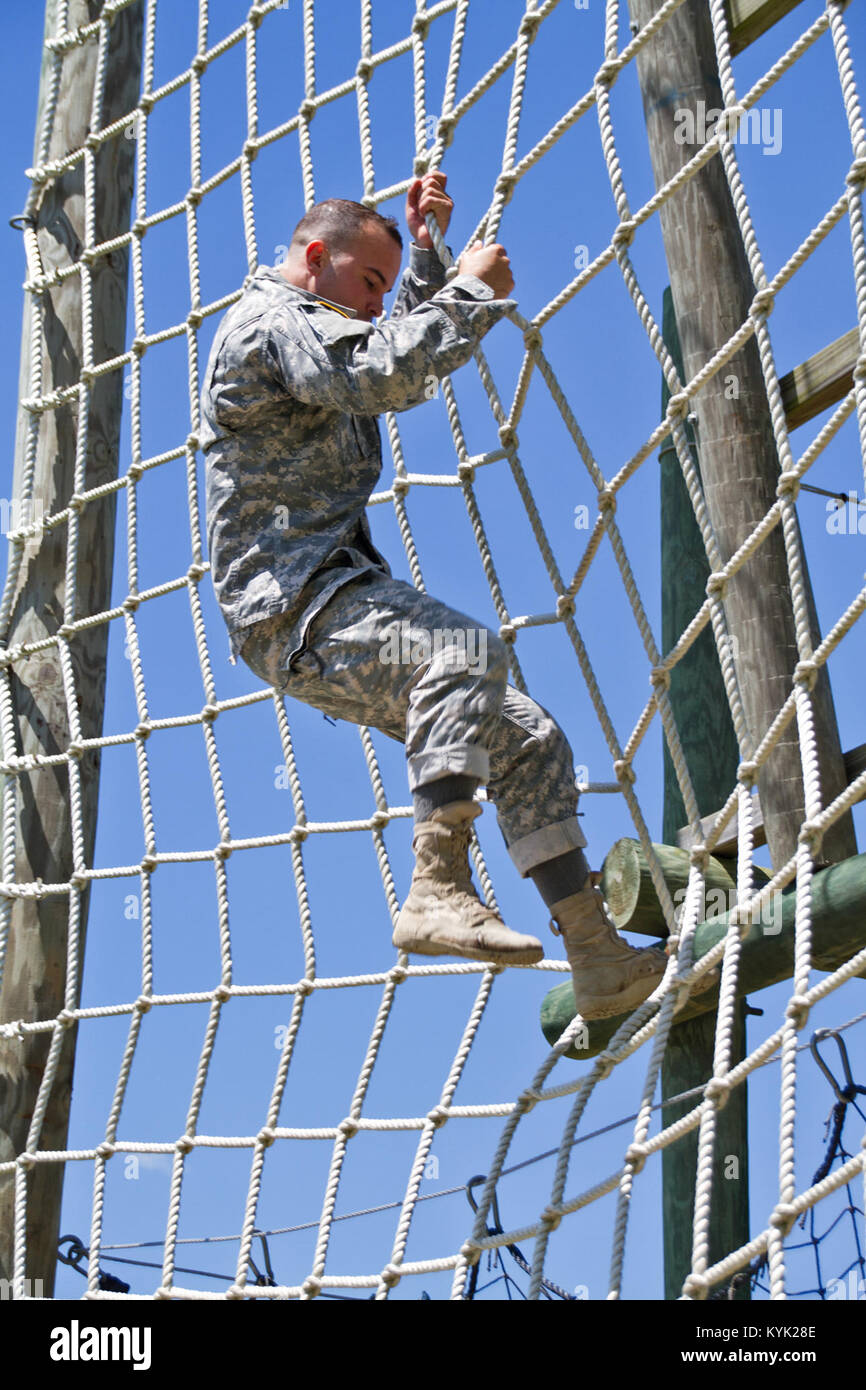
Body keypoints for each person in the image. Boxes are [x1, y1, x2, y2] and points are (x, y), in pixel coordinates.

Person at [200, 172, 695, 1022]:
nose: (377, 301)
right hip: (294, 603)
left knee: (528, 738)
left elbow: (386, 339)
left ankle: (597, 956)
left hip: (325, 604)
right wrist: (469, 293)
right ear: (315, 258)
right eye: (369, 282)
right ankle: (435, 885)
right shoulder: (269, 324)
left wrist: (427, 257)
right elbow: (383, 370)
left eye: (386, 290)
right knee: (461, 653)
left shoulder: (320, 319)